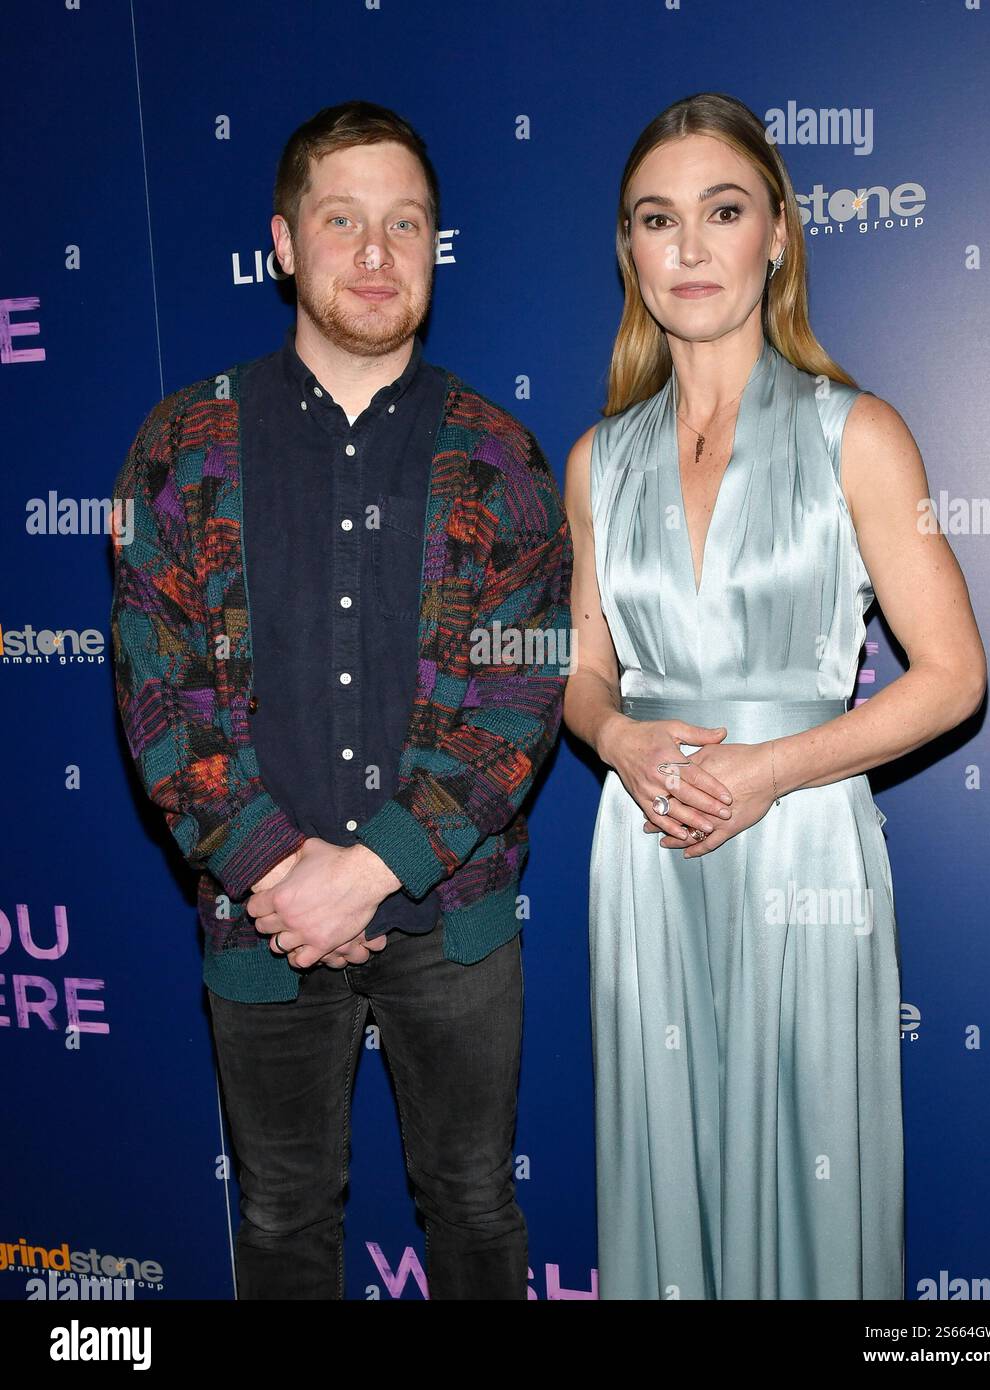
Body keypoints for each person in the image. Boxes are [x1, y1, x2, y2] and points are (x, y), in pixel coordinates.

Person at [109, 100, 572, 1300]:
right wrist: (280, 872)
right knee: (279, 1217)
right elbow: (160, 694)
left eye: (404, 223)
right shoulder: (183, 446)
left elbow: (520, 695)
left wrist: (369, 869)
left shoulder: (502, 457)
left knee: (475, 1208)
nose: (375, 253)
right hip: (257, 922)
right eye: (342, 220)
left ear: (434, 246)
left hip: (454, 921)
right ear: (282, 242)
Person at [562, 92, 986, 1300]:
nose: (689, 247)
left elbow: (954, 676)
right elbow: (580, 670)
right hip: (647, 849)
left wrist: (769, 770)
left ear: (778, 235)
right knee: (664, 1168)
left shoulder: (859, 432)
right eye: (657, 219)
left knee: (812, 1185)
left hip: (801, 845)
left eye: (723, 210)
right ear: (630, 251)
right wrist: (619, 738)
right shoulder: (598, 459)